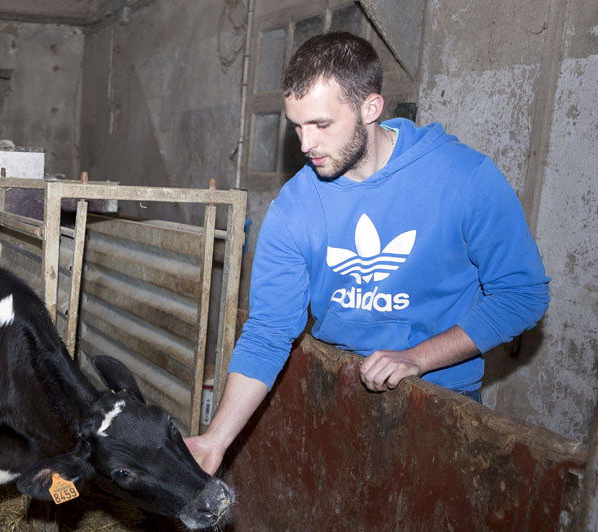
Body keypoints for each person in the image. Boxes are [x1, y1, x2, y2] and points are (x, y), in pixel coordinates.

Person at [186, 32, 549, 475]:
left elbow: (522, 295)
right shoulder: (295, 207)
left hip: (441, 399)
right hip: (338, 388)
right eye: (297, 126)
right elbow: (268, 331)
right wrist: (215, 440)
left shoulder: (463, 179)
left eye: (321, 125)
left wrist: (418, 357)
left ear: (370, 108)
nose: (305, 144)